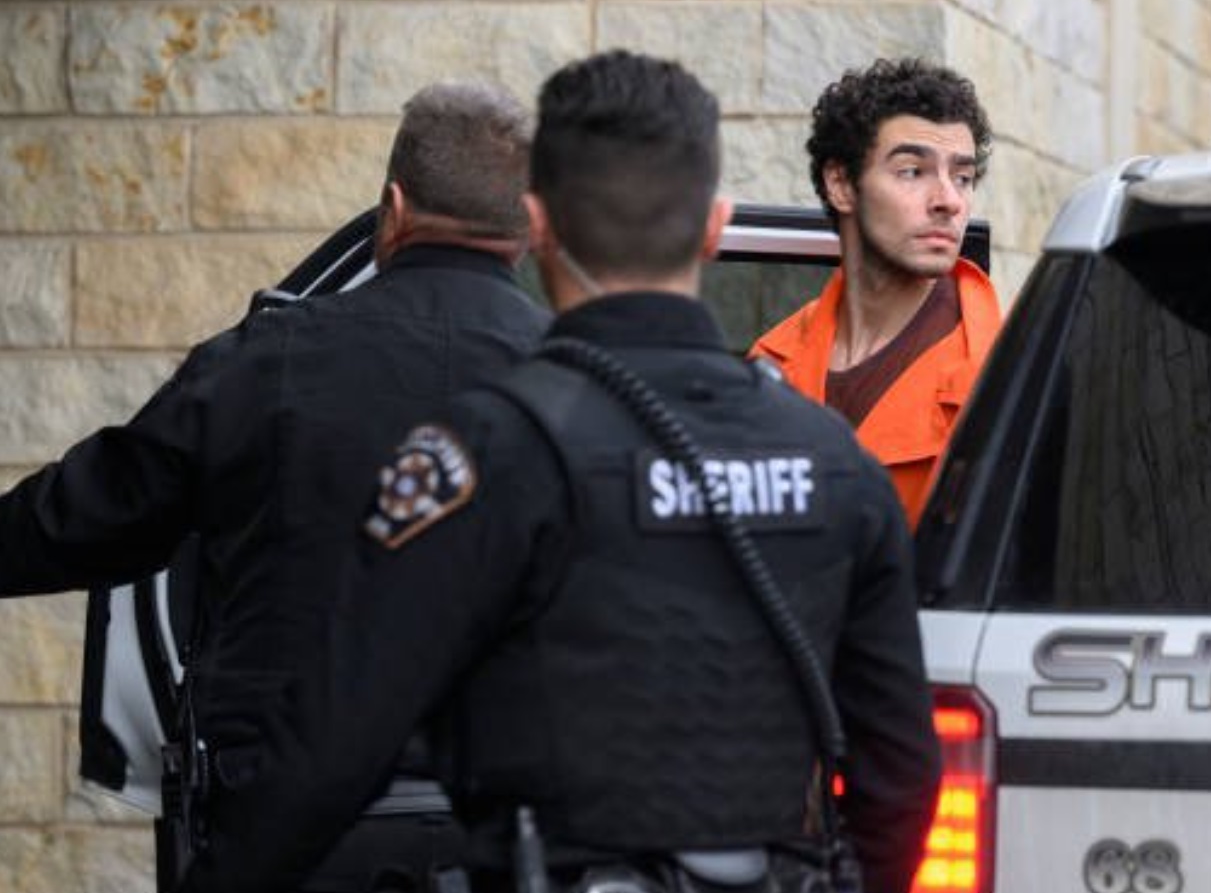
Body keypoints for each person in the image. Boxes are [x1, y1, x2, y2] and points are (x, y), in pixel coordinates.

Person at [177, 50, 942, 893]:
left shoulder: (479, 451)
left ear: (537, 224)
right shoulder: (837, 462)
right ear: (715, 226)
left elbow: (329, 746)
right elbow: (900, 770)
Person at [0, 81, 550, 890]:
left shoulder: (265, 360)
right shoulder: (592, 380)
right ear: (531, 226)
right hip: (518, 838)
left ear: (393, 207)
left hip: (284, 837)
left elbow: (80, 517)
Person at [750, 58, 1001, 528]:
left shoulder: (1004, 378)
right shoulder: (770, 365)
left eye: (962, 177)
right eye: (912, 171)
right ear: (842, 184)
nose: (949, 199)